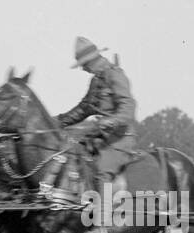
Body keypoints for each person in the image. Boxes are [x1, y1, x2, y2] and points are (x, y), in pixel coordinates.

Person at [54, 36, 137, 184]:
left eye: (84, 64)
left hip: (119, 139)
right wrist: (57, 121)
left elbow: (128, 108)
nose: (83, 68)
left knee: (101, 173)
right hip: (98, 138)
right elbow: (84, 109)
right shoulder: (96, 80)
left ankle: (102, 207)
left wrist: (110, 121)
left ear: (92, 61)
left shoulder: (115, 75)